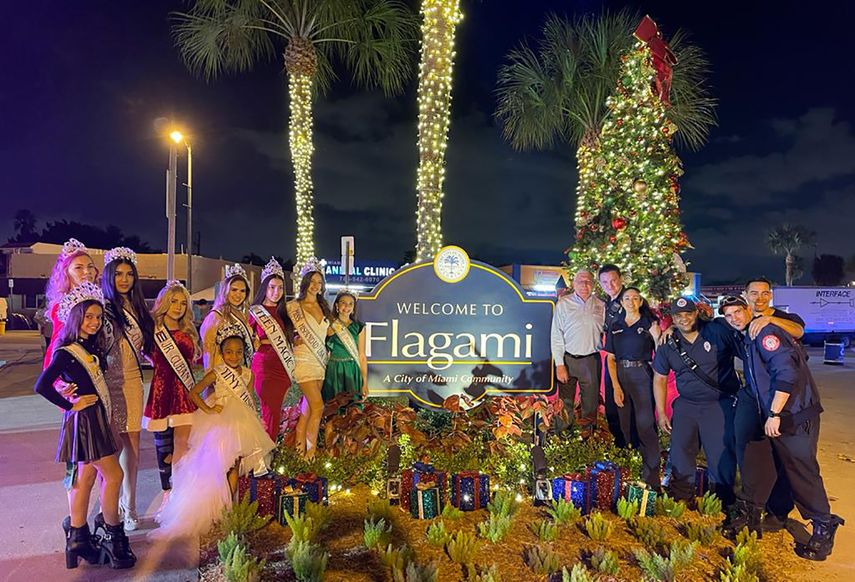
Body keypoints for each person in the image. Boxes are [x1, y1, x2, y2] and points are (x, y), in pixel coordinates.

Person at [720, 296, 844, 560]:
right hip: (776, 415)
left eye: (737, 312)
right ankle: (752, 515)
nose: (734, 319)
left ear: (748, 310)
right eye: (728, 315)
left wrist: (775, 413)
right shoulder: (748, 336)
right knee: (762, 464)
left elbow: (787, 373)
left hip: (794, 415)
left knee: (802, 470)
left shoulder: (765, 332)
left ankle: (823, 525)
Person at [33, 282, 136, 570]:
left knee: (86, 477)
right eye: (88, 316)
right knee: (114, 475)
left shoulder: (90, 347)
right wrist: (71, 404)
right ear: (76, 317)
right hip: (85, 421)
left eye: (98, 317)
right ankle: (114, 537)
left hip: (95, 418)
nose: (94, 322)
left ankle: (77, 538)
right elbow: (42, 385)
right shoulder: (66, 351)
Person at [152, 321, 275, 540]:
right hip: (220, 421)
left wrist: (254, 420)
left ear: (244, 353)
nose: (234, 356)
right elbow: (194, 393)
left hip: (242, 423)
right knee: (220, 465)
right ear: (222, 353)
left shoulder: (249, 374)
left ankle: (229, 508)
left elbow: (249, 399)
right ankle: (216, 508)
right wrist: (208, 408)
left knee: (235, 464)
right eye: (229, 352)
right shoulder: (216, 372)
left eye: (238, 352)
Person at [652, 296, 742, 507]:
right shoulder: (668, 344)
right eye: (678, 316)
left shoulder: (716, 331)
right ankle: (681, 501)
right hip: (687, 405)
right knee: (680, 453)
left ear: (696, 313)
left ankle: (722, 504)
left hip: (718, 405)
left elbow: (743, 348)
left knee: (720, 455)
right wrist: (661, 412)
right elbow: (659, 379)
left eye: (688, 314)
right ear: (673, 318)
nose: (684, 319)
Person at [739, 277, 806, 531]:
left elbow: (799, 331)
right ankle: (757, 506)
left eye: (764, 293)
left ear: (770, 295)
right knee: (761, 458)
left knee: (784, 458)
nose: (760, 298)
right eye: (754, 293)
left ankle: (779, 512)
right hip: (758, 401)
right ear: (746, 295)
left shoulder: (781, 318)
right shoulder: (745, 320)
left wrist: (770, 320)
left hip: (783, 402)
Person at [100, 247, 155, 531]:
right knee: (110, 447)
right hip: (106, 382)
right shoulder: (102, 307)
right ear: (109, 276)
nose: (124, 279)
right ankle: (108, 505)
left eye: (129, 274)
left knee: (132, 446)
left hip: (132, 380)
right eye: (119, 274)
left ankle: (130, 505)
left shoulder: (139, 309)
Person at [143, 281, 200, 505]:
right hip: (162, 392)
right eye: (174, 301)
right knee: (163, 448)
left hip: (184, 392)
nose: (178, 307)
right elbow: (144, 354)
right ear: (164, 303)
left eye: (183, 303)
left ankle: (180, 492)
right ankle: (167, 490)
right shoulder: (152, 330)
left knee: (183, 445)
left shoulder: (188, 330)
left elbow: (194, 361)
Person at [604, 287, 661, 488]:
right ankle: (628, 475)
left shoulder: (649, 324)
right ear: (621, 302)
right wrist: (616, 387)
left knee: (645, 425)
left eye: (635, 298)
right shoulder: (615, 325)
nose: (631, 301)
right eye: (627, 298)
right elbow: (610, 359)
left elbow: (661, 354)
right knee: (624, 426)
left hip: (642, 374)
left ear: (641, 301)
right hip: (620, 376)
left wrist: (656, 337)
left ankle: (652, 478)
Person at [550, 269, 605, 439]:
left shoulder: (601, 305)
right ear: (574, 284)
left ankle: (588, 439)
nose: (584, 285)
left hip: (590, 360)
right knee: (565, 401)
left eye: (588, 281)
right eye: (580, 281)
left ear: (593, 284)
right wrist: (559, 364)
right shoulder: (563, 304)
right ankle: (562, 438)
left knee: (590, 402)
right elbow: (556, 335)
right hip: (567, 360)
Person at [287, 259, 331, 459]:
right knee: (318, 406)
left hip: (320, 361)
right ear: (305, 282)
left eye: (319, 282)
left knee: (307, 408)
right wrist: (292, 339)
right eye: (312, 281)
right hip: (303, 360)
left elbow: (327, 332)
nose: (316, 286)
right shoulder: (293, 307)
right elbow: (283, 330)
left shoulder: (324, 306)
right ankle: (310, 455)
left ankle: (299, 451)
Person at [248, 258, 296, 440]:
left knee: (274, 412)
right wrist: (256, 342)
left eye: (280, 288)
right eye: (272, 287)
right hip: (264, 368)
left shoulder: (285, 312)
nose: (276, 292)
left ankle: (267, 447)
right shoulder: (255, 312)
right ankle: (266, 448)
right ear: (264, 288)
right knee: (270, 411)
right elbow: (246, 339)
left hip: (283, 367)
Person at [44, 238, 98, 367]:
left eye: (90, 266)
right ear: (66, 273)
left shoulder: (97, 302)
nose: (87, 272)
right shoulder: (63, 306)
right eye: (79, 267)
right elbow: (56, 346)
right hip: (71, 370)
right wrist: (55, 377)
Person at [200, 264, 254, 371]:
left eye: (242, 291)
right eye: (234, 290)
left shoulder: (245, 315)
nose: (238, 295)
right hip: (224, 374)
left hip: (243, 372)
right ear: (225, 290)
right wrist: (210, 376)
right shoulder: (215, 316)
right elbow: (208, 351)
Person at [598, 264, 628, 447]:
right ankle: (620, 447)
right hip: (611, 360)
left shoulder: (631, 299)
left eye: (613, 280)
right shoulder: (606, 303)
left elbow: (652, 321)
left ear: (620, 279)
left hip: (628, 362)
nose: (610, 285)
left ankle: (630, 447)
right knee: (612, 407)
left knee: (626, 407)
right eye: (605, 282)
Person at [322, 289, 368, 403]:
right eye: (343, 303)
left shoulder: (359, 327)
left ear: (353, 308)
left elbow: (362, 356)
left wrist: (365, 382)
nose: (347, 306)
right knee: (333, 406)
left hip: (352, 370)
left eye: (350, 304)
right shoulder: (328, 325)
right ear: (337, 305)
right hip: (333, 370)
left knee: (352, 408)